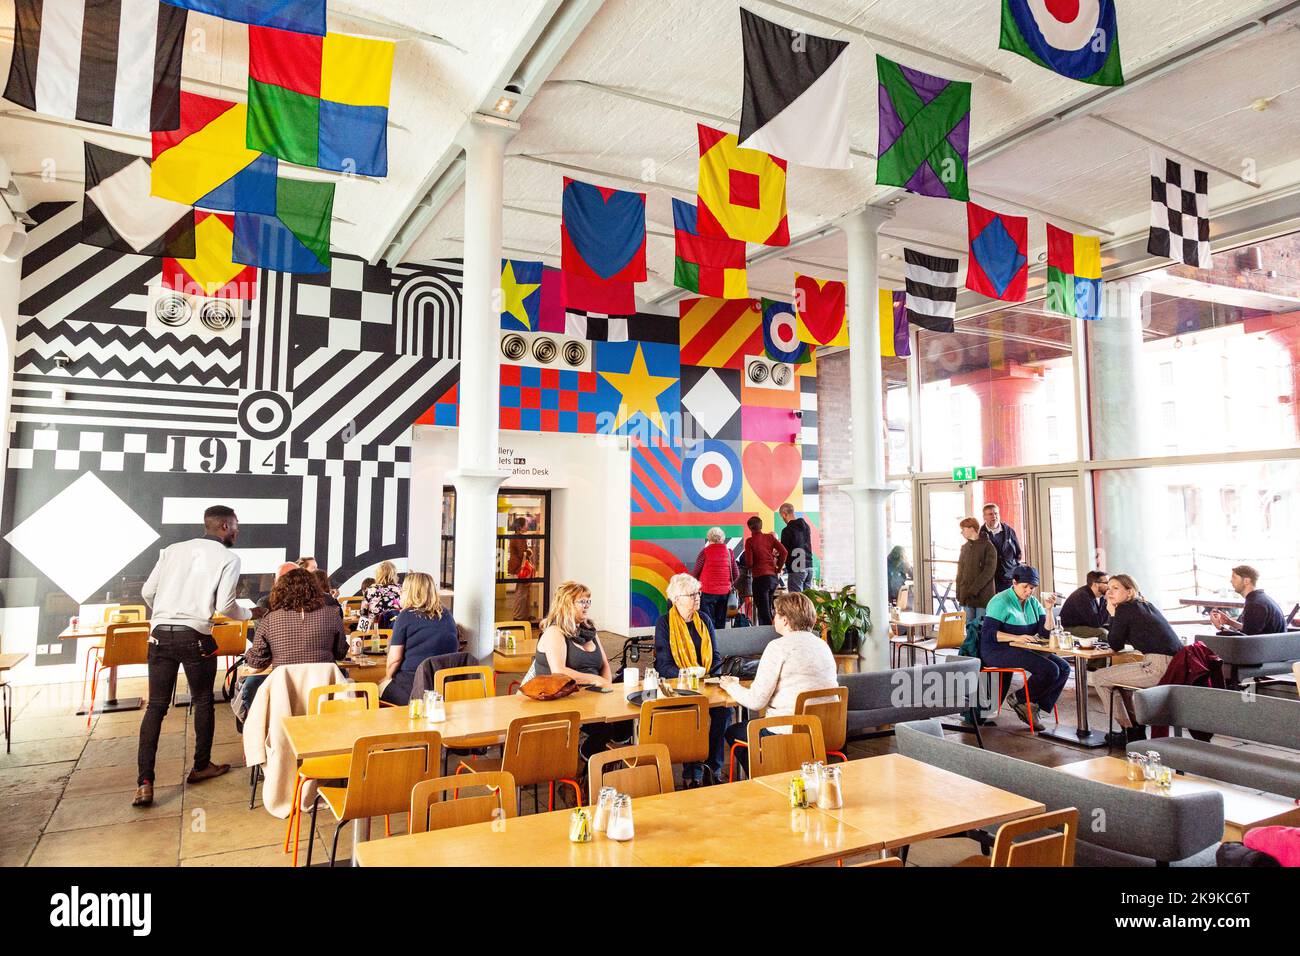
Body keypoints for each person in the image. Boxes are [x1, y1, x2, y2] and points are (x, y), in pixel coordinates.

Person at [135, 505, 261, 808]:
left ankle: (144, 782)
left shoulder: (171, 550)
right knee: (203, 700)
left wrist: (167, 612)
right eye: (236, 526)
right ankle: (201, 765)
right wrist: (251, 613)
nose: (237, 531)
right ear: (225, 526)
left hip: (160, 633)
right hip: (196, 636)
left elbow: (147, 591)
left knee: (156, 706)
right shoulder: (229, 558)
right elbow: (225, 605)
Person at [720, 591, 838, 775]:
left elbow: (756, 702)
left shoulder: (778, 647)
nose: (773, 617)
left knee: (734, 732)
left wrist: (731, 686)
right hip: (824, 730)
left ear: (785, 620)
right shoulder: (822, 645)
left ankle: (766, 777)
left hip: (787, 731)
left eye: (776, 613)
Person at [533, 581, 630, 761]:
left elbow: (604, 665)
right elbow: (559, 671)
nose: (587, 606)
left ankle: (604, 761)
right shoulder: (555, 632)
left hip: (592, 695)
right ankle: (588, 762)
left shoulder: (589, 630)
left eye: (588, 601)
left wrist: (606, 685)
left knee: (626, 716)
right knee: (606, 726)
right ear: (566, 604)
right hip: (565, 697)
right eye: (582, 602)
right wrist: (595, 680)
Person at [653, 574, 730, 787]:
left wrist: (710, 675)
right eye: (692, 594)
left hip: (706, 680)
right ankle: (692, 771)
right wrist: (688, 675)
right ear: (677, 599)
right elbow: (663, 664)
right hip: (679, 684)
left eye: (698, 593)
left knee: (724, 710)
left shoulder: (704, 619)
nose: (698, 598)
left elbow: (715, 655)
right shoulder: (664, 623)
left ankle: (713, 767)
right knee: (693, 711)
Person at [239, 568, 348, 716]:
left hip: (284, 699)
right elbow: (340, 653)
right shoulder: (332, 614)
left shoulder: (270, 619)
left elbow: (254, 666)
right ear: (315, 589)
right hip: (325, 696)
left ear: (280, 590)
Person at [1091, 574, 1183, 741]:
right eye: (1109, 588)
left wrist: (1112, 614)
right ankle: (1134, 729)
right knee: (1119, 684)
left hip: (1157, 667)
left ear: (1129, 591)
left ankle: (1129, 731)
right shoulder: (1145, 605)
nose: (1109, 592)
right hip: (1175, 666)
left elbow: (1115, 644)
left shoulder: (1124, 609)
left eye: (1116, 588)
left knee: (1098, 677)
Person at [979, 566, 1068, 732]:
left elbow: (1044, 632)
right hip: (997, 650)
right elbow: (989, 634)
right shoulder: (1000, 601)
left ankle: (1030, 705)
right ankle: (1021, 700)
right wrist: (1016, 637)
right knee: (1050, 670)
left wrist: (1049, 610)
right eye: (1024, 587)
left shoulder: (1033, 603)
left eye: (1032, 588)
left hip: (1024, 648)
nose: (1028, 591)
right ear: (1014, 583)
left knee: (1064, 668)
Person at [380, 571, 459, 705]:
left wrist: (386, 678)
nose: (400, 593)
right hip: (445, 687)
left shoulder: (405, 616)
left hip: (413, 687)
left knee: (376, 689)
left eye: (403, 590)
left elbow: (394, 660)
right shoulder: (447, 615)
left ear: (410, 592)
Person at [1210, 565, 1287, 636]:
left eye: (1234, 577)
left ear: (1246, 581)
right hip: (1271, 646)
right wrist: (1230, 622)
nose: (1231, 581)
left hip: (1265, 649)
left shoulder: (1255, 605)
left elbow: (1246, 639)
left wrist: (1220, 627)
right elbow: (1251, 630)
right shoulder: (1260, 599)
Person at [743, 515, 787, 626]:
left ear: (750, 528)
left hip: (760, 579)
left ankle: (768, 637)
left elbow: (750, 563)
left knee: (764, 613)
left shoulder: (750, 541)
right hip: (772, 579)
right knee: (768, 609)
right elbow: (784, 552)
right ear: (761, 526)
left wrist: (748, 567)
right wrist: (778, 569)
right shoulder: (770, 538)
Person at [692, 527, 738, 631]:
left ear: (709, 539)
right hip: (724, 593)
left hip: (707, 592)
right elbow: (736, 574)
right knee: (721, 621)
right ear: (722, 539)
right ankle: (720, 644)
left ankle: (710, 645)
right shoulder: (729, 552)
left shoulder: (705, 552)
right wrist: (727, 584)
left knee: (708, 622)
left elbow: (695, 572)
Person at [955, 518, 997, 623]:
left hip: (983, 595)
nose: (961, 532)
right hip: (967, 595)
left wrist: (974, 589)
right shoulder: (964, 547)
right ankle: (970, 641)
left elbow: (989, 572)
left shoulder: (988, 546)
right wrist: (959, 591)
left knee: (980, 625)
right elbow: (960, 571)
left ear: (971, 529)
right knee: (969, 624)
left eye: (963, 529)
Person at [979, 503, 1023, 594]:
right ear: (984, 517)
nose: (994, 516)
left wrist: (1013, 566)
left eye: (996, 513)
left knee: (1011, 604)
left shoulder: (1009, 531)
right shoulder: (980, 535)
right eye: (990, 514)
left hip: (1009, 576)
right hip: (991, 578)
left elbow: (1018, 552)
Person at [1060, 571, 1111, 640]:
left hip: (1085, 625)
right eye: (1106, 583)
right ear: (1095, 584)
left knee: (1115, 629)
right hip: (1069, 628)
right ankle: (1107, 650)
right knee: (1103, 632)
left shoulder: (1101, 596)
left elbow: (1102, 620)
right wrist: (1108, 601)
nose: (1109, 586)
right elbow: (1095, 623)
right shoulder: (1082, 596)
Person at [779, 503, 814, 592]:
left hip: (796, 567)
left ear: (784, 514)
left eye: (781, 516)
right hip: (809, 567)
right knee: (807, 600)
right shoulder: (806, 526)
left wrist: (779, 567)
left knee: (796, 601)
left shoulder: (787, 530)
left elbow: (784, 552)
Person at [360, 560, 401, 627]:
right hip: (396, 630)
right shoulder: (401, 589)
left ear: (378, 574)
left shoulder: (371, 590)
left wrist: (363, 634)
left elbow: (363, 614)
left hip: (375, 632)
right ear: (394, 574)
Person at [513, 548, 535, 620]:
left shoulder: (528, 561)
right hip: (523, 584)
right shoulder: (523, 562)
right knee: (521, 600)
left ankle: (525, 616)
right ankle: (518, 617)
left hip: (526, 584)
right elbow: (522, 572)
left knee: (526, 601)